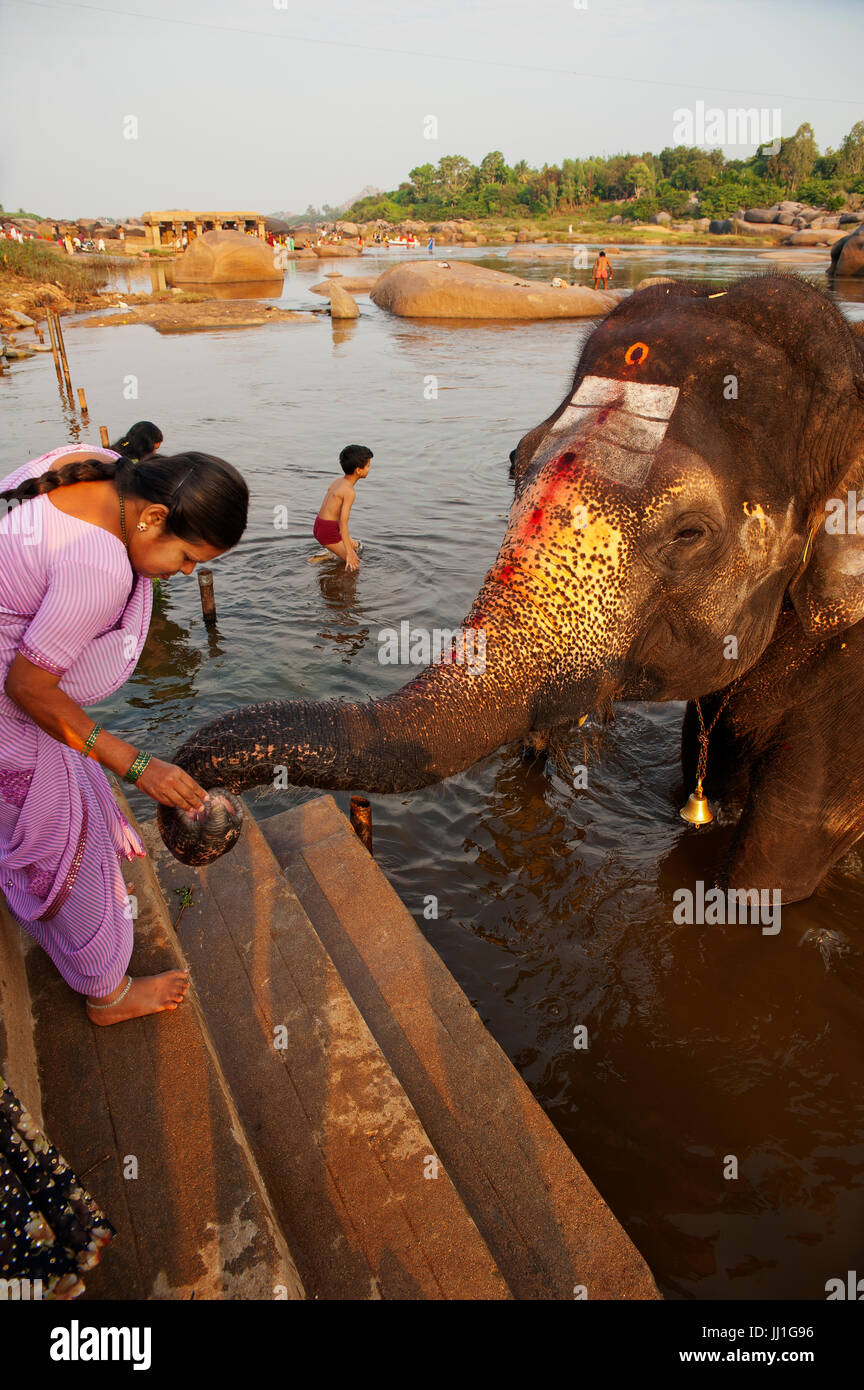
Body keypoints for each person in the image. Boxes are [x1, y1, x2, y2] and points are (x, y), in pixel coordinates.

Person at [0, 445, 249, 1025]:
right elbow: (30, 691)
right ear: (155, 517)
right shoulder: (100, 566)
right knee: (72, 852)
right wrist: (141, 767)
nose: (187, 574)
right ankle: (106, 995)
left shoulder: (96, 464)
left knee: (68, 809)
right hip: (12, 714)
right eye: (187, 557)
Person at [309, 444, 372, 570]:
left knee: (357, 545)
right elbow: (343, 523)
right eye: (368, 466)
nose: (370, 469)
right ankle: (320, 558)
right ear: (358, 470)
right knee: (354, 564)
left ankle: (330, 554)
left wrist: (349, 545)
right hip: (328, 531)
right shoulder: (349, 492)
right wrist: (349, 554)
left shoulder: (338, 481)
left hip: (319, 525)